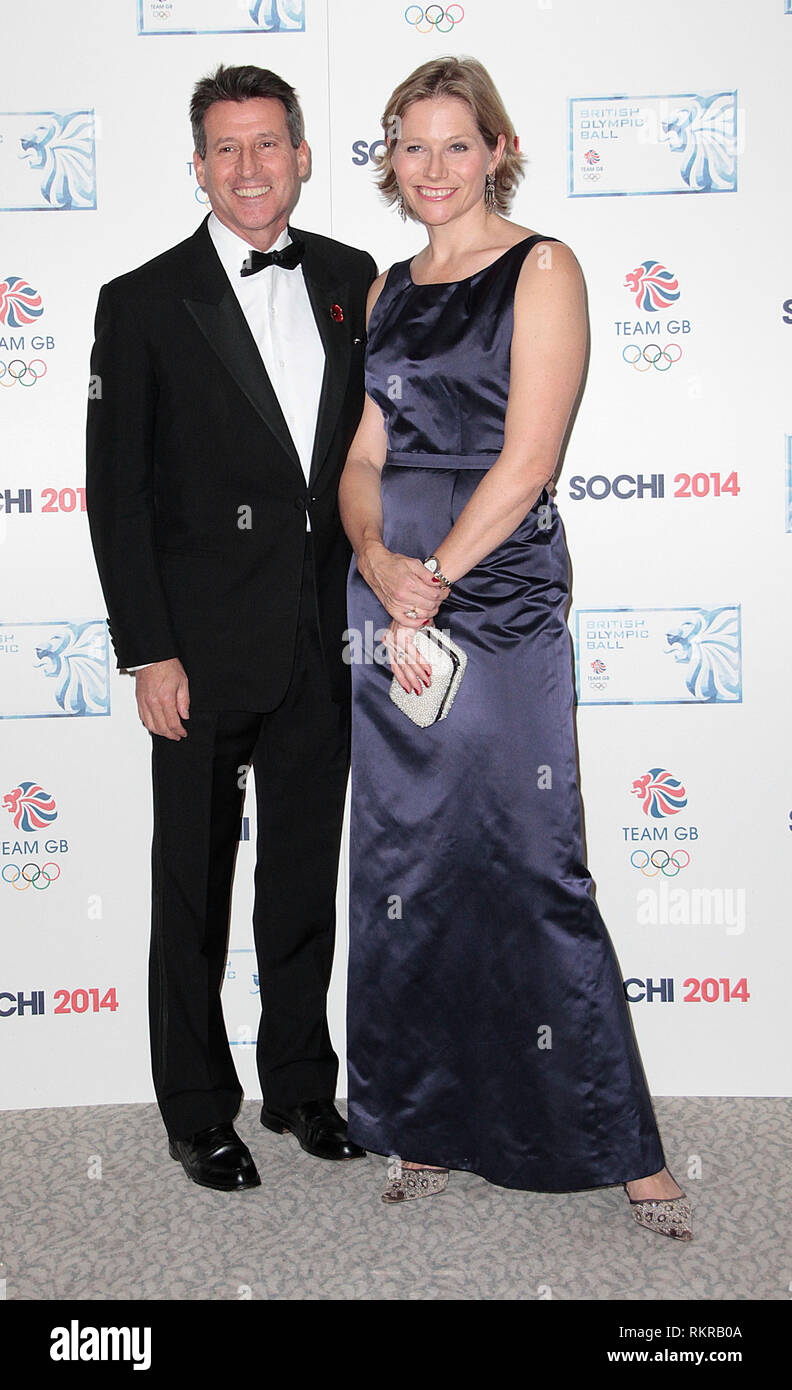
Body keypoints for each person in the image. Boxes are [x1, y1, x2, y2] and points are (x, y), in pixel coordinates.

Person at [338, 56, 692, 1240]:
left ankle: (617, 1139)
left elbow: (530, 457)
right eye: (412, 145)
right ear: (391, 159)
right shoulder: (384, 287)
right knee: (408, 865)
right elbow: (360, 457)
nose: (434, 168)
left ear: (496, 149)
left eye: (456, 144)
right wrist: (380, 564)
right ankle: (421, 1116)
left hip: (494, 590)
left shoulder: (544, 267)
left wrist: (432, 579)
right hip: (389, 600)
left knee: (534, 859)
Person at [86, 64, 376, 1191]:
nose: (250, 167)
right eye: (227, 148)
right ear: (198, 165)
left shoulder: (354, 279)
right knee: (193, 889)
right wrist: (149, 648)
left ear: (302, 156)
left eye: (270, 144)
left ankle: (302, 1084)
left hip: (320, 633)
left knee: (302, 877)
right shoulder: (144, 298)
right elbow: (118, 494)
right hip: (197, 652)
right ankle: (198, 1109)